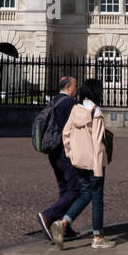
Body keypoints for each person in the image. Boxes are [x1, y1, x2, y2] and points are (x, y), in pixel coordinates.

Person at [52, 77, 115, 250]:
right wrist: (97, 168)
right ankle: (98, 237)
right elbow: (98, 142)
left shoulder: (76, 109)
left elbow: (66, 134)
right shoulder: (96, 111)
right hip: (94, 161)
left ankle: (63, 223)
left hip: (78, 160)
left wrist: (71, 155)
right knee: (97, 198)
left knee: (85, 194)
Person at [37, 76, 82, 241]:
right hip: (65, 151)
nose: (77, 89)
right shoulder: (70, 104)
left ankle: (63, 227)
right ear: (69, 87)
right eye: (75, 86)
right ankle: (48, 216)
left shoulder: (54, 101)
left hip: (53, 150)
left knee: (64, 189)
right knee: (76, 189)